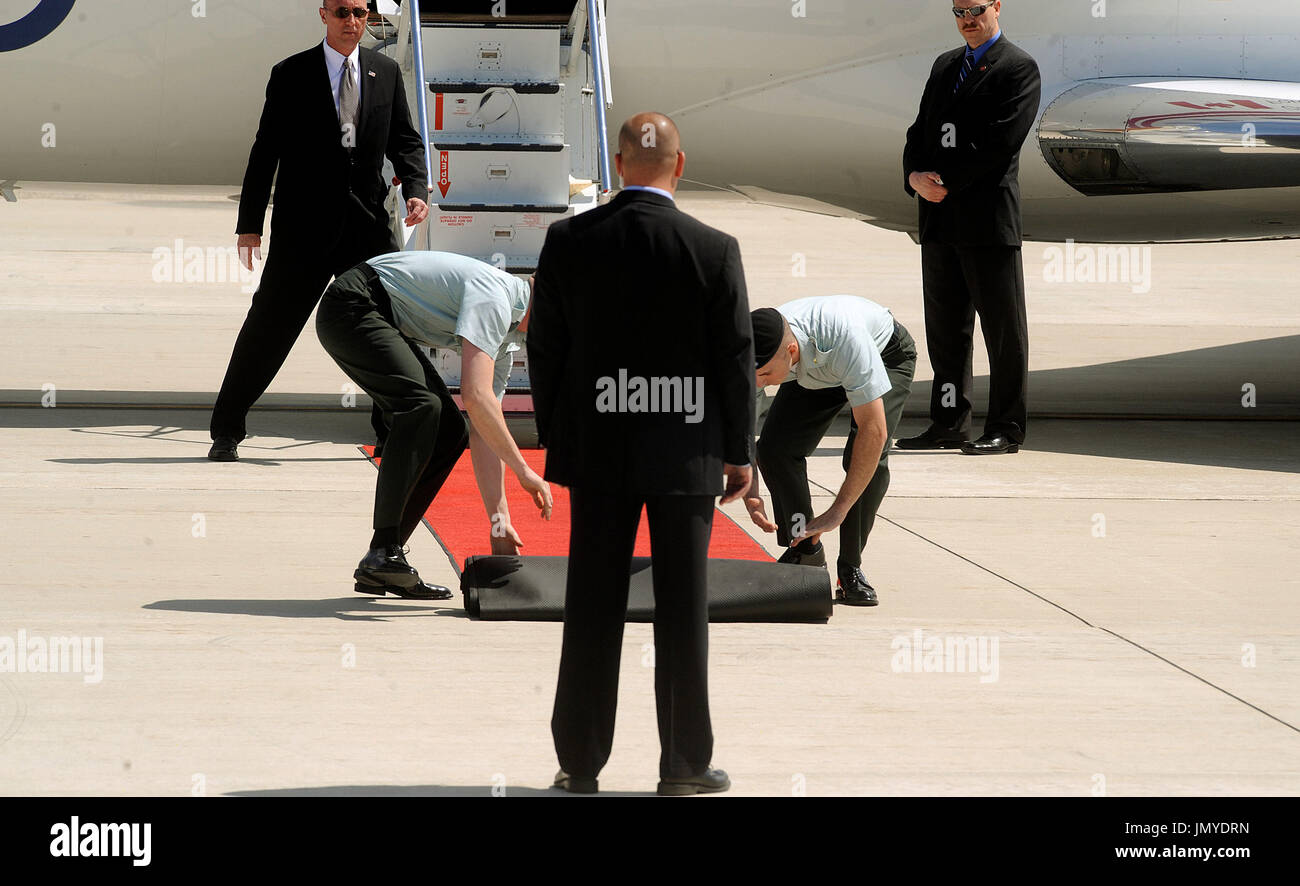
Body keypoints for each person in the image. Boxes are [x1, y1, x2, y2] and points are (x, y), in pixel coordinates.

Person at [527, 112, 754, 796]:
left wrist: (559, 433)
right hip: (686, 452)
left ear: (620, 164)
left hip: (598, 448)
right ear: (679, 165)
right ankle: (683, 765)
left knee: (591, 606)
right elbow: (735, 358)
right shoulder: (714, 248)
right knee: (684, 609)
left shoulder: (569, 240)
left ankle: (579, 763)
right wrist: (738, 451)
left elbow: (545, 346)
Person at [208, 0, 430, 462]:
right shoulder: (291, 73)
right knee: (269, 328)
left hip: (366, 228)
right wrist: (249, 225)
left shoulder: (386, 72)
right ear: (323, 15)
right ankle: (227, 429)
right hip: (303, 232)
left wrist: (415, 189)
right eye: (343, 11)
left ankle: (390, 433)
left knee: (386, 328)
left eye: (361, 12)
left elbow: (405, 140)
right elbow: (265, 150)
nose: (353, 21)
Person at [315, 250, 553, 600]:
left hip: (374, 313)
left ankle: (384, 560)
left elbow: (484, 427)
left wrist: (499, 522)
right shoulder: (496, 297)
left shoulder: (506, 341)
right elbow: (475, 395)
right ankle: (383, 553)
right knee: (422, 406)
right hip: (351, 305)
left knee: (450, 431)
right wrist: (524, 470)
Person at [897, 0, 1040, 455]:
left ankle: (1006, 428)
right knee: (947, 333)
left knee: (1003, 332)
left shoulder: (1017, 68)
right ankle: (948, 423)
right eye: (959, 12)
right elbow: (919, 131)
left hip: (986, 221)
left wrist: (946, 181)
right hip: (939, 220)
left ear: (997, 7)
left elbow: (1001, 142)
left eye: (976, 9)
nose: (968, 20)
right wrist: (914, 176)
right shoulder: (945, 66)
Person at [743, 299, 917, 606]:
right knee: (774, 449)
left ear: (790, 352)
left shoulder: (847, 339)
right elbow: (742, 424)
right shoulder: (759, 351)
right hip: (816, 369)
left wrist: (838, 510)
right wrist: (750, 488)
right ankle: (805, 549)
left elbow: (873, 432)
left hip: (883, 355)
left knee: (866, 459)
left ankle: (850, 568)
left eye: (766, 374)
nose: (759, 382)